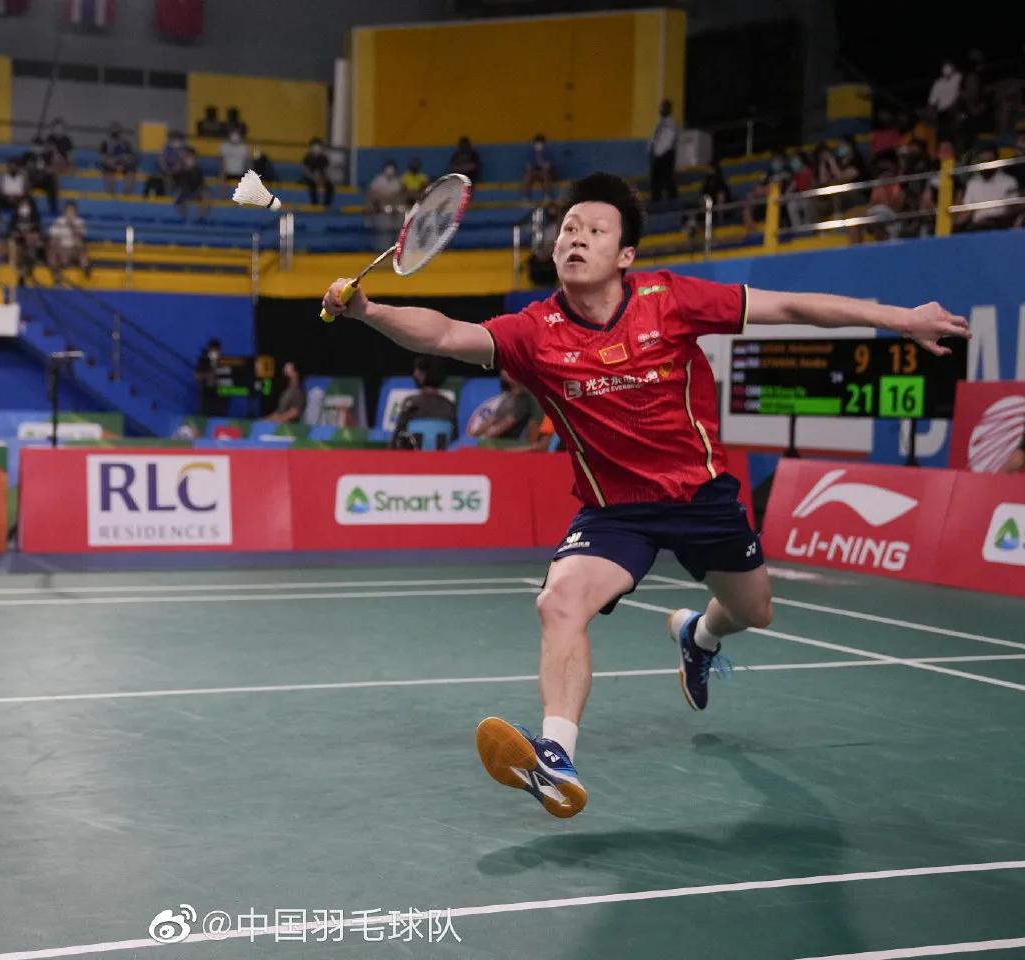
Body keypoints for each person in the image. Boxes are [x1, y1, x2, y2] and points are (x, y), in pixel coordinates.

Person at [320, 171, 969, 820]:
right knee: (559, 602)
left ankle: (700, 634)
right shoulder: (534, 331)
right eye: (569, 229)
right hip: (614, 511)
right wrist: (369, 311)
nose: (576, 239)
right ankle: (555, 756)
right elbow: (442, 335)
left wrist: (900, 319)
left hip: (701, 497)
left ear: (625, 256)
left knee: (756, 610)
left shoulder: (673, 300)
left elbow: (792, 309)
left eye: (595, 231)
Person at [390, 355, 458, 449]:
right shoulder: (450, 405)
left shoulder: (410, 403)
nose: (414, 374)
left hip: (414, 461)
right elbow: (455, 440)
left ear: (423, 375)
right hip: (442, 461)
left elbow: (396, 439)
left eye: (417, 370)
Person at [470, 370, 533, 441]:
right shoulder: (507, 397)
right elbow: (492, 419)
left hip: (509, 443)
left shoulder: (524, 400)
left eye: (509, 368)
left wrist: (483, 438)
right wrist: (473, 435)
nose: (504, 371)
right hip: (492, 441)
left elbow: (507, 423)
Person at [47, 200, 90, 282]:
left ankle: (85, 266)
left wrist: (71, 225)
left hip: (74, 248)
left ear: (76, 211)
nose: (70, 212)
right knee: (51, 250)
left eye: (72, 210)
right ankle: (56, 274)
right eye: (68, 210)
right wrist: (58, 244)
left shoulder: (80, 222)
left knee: (81, 248)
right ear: (65, 211)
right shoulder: (58, 221)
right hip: (61, 248)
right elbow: (53, 238)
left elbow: (80, 239)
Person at [7, 198, 44, 286]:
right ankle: (23, 274)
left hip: (31, 245)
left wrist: (30, 237)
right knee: (19, 250)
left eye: (26, 206)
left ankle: (26, 273)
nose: (24, 208)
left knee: (31, 246)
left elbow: (37, 233)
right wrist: (20, 236)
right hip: (19, 243)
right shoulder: (14, 218)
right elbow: (10, 233)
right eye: (22, 206)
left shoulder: (35, 218)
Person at [648, 99, 678, 202]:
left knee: (668, 179)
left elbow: (667, 141)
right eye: (660, 107)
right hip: (656, 155)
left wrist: (659, 153)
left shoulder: (671, 124)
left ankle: (673, 200)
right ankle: (655, 199)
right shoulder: (659, 123)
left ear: (668, 109)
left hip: (665, 155)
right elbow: (654, 137)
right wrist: (650, 149)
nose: (660, 110)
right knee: (655, 181)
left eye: (663, 107)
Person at [99, 123, 138, 196]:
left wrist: (123, 165)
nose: (116, 135)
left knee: (131, 174)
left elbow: (131, 157)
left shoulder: (126, 143)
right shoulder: (105, 143)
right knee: (108, 173)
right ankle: (111, 196)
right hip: (111, 165)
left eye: (117, 132)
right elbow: (103, 158)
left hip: (125, 164)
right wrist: (114, 165)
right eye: (114, 133)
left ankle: (126, 197)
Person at [22, 137, 59, 214]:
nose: (37, 149)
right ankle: (27, 208)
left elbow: (53, 169)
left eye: (40, 147)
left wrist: (46, 169)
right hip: (31, 180)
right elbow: (21, 168)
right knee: (25, 183)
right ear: (31, 147)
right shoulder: (27, 156)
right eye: (35, 146)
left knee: (51, 183)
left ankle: (53, 208)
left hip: (43, 180)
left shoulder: (47, 157)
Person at [173, 148, 209, 219]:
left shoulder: (198, 170)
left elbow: (201, 184)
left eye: (192, 157)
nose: (190, 160)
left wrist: (202, 189)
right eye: (188, 157)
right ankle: (184, 218)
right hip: (184, 192)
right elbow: (176, 180)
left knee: (206, 197)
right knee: (181, 200)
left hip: (195, 191)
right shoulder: (181, 170)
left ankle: (200, 218)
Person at [195, 338, 227, 416]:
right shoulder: (203, 361)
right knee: (205, 415)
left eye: (216, 350)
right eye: (212, 350)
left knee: (219, 416)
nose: (214, 353)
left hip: (220, 395)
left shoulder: (224, 361)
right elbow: (197, 377)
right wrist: (210, 373)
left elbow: (228, 377)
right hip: (206, 394)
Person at [302, 138, 334, 207]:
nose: (316, 149)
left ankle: (327, 205)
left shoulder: (323, 158)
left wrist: (325, 179)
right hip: (310, 178)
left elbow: (326, 171)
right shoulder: (307, 158)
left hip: (321, 178)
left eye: (318, 147)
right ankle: (314, 204)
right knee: (312, 185)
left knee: (330, 186)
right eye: (314, 147)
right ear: (311, 148)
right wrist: (314, 178)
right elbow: (306, 171)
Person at [522, 135, 553, 201]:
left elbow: (548, 166)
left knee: (546, 175)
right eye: (537, 143)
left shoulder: (548, 152)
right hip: (534, 172)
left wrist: (541, 158)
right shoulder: (531, 153)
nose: (539, 145)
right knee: (527, 176)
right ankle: (526, 197)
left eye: (540, 143)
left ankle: (547, 196)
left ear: (544, 144)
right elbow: (528, 166)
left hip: (544, 172)